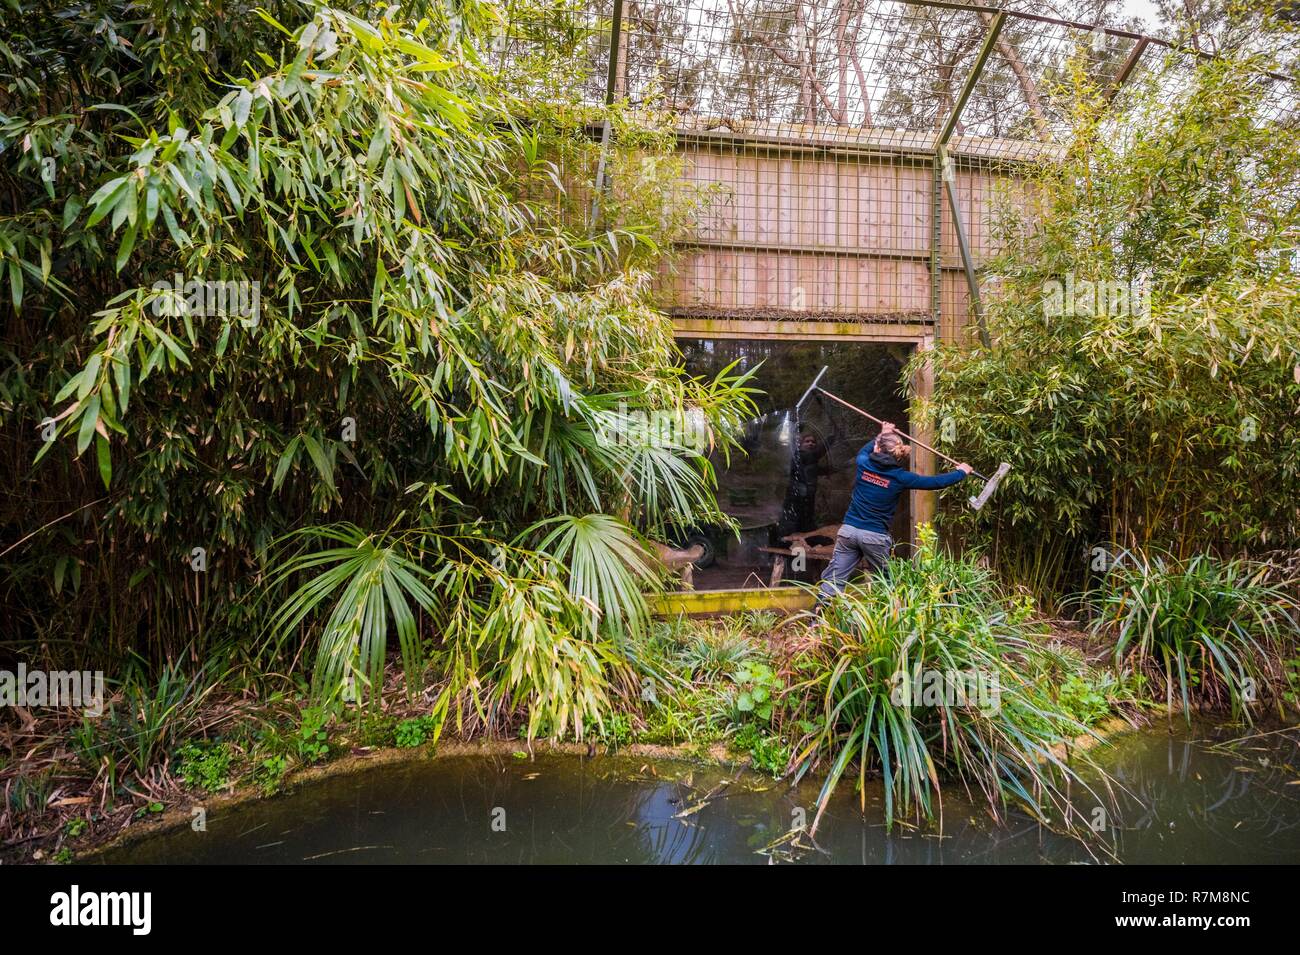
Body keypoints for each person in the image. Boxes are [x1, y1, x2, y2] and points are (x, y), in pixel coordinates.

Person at [817, 422, 971, 603]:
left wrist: (882, 433)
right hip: (874, 537)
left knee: (834, 580)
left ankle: (815, 621)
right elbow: (935, 482)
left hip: (848, 532)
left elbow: (866, 451)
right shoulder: (901, 477)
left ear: (877, 447)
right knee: (887, 583)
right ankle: (889, 622)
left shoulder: (863, 463)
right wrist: (961, 472)